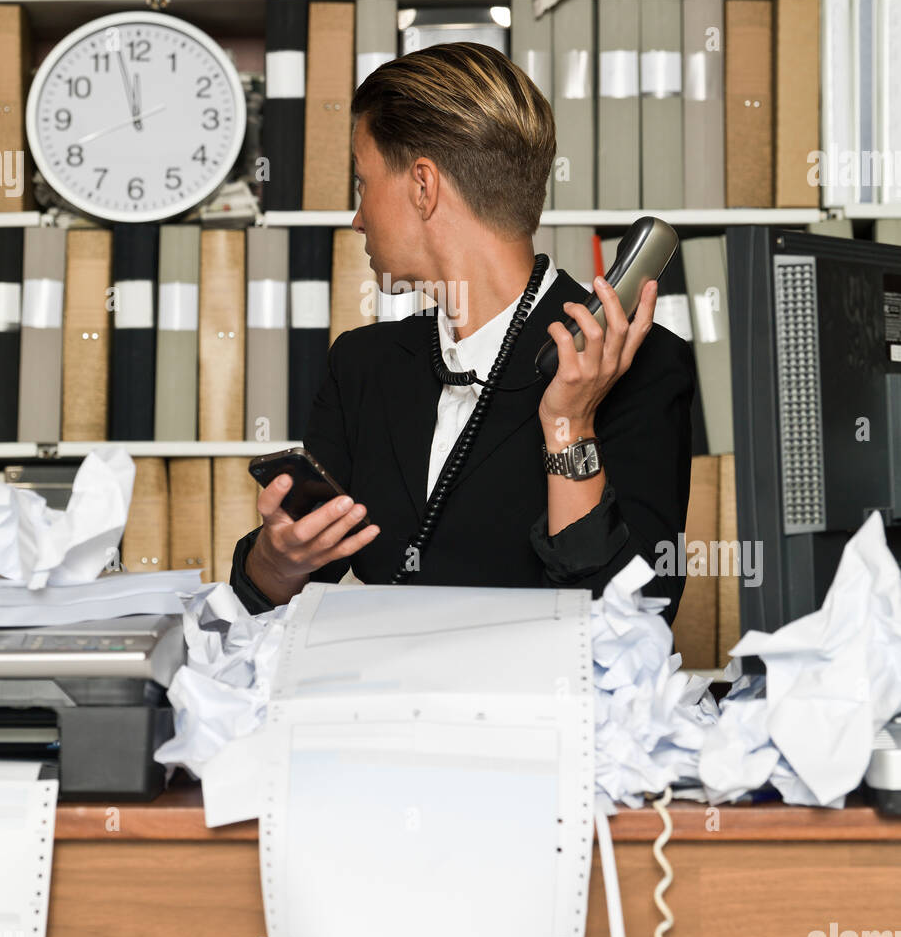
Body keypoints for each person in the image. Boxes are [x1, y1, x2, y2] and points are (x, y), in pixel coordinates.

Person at [231, 42, 695, 624]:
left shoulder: (638, 362)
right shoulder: (362, 365)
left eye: (362, 183)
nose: (357, 218)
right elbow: (277, 594)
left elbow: (635, 623)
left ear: (423, 186)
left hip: (542, 708)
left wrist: (569, 426)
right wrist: (276, 560)